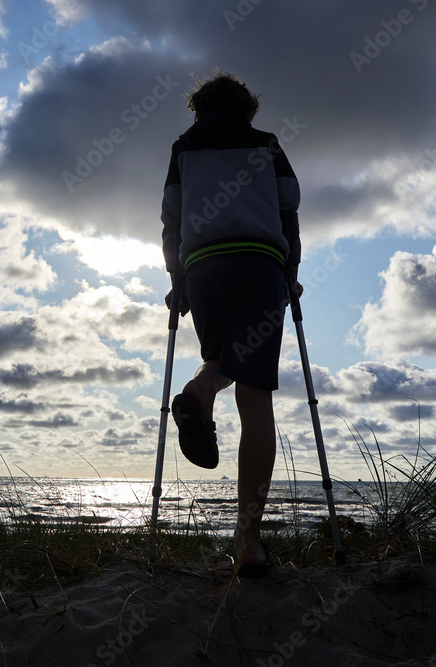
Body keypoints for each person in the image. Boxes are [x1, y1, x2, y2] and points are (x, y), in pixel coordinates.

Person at [160, 70, 302, 576]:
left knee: (219, 362)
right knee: (254, 395)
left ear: (199, 108)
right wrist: (292, 271)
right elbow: (288, 211)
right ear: (246, 108)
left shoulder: (183, 149)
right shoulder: (266, 145)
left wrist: (178, 278)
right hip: (259, 263)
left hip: (205, 269)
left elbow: (171, 219)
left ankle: (199, 394)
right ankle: (248, 542)